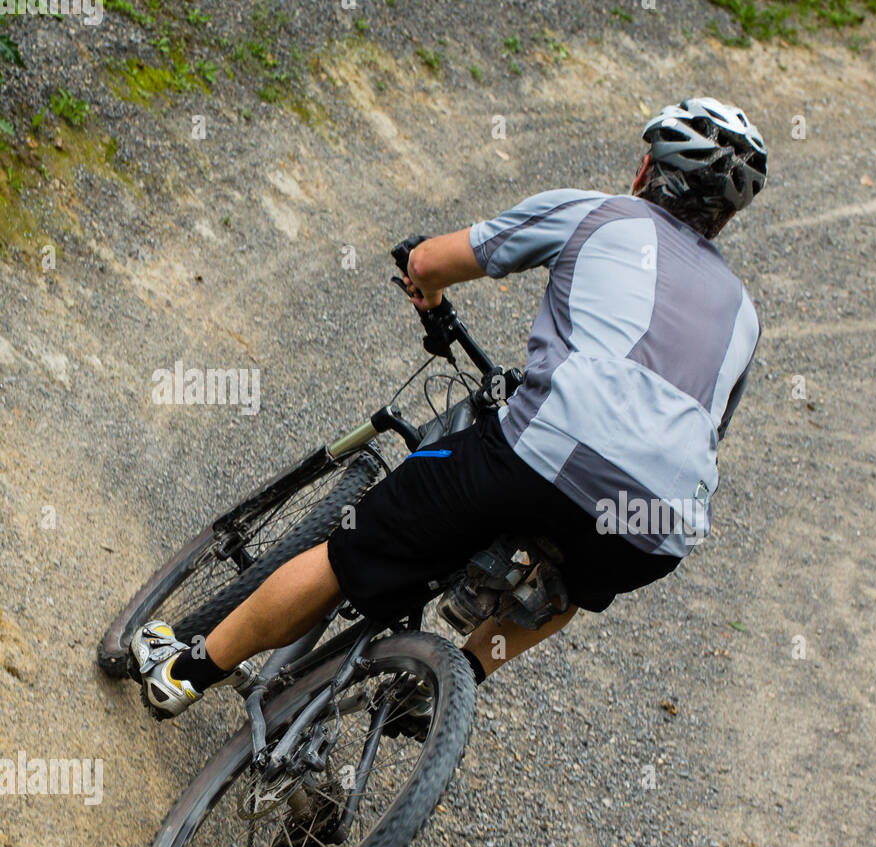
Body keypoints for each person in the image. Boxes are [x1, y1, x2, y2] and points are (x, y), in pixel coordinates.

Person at [133, 97, 768, 717]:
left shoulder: (598, 215)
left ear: (646, 170)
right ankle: (456, 674)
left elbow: (434, 260)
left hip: (542, 453)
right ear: (725, 220)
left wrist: (426, 288)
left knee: (346, 556)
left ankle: (183, 672)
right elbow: (706, 428)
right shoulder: (743, 315)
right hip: (656, 527)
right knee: (569, 586)